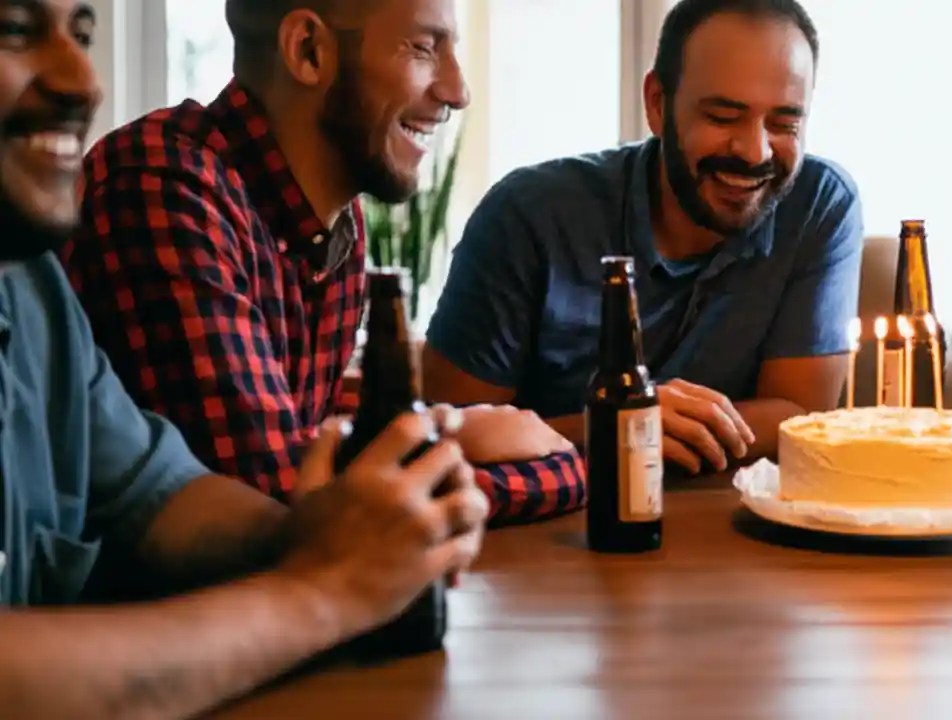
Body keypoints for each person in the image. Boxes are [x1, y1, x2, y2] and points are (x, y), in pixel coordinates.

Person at [0, 1, 488, 716]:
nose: (86, 81)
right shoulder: (165, 180)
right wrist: (320, 591)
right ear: (307, 51)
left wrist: (336, 532)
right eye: (14, 30)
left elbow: (157, 493)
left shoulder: (26, 284)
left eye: (83, 34)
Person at [61, 0, 585, 521]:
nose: (457, 91)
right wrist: (460, 436)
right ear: (308, 51)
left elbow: (320, 464)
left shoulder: (337, 230)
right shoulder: (164, 184)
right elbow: (274, 495)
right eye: (424, 48)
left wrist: (539, 458)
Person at [422, 0, 864, 475]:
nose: (755, 151)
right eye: (722, 117)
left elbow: (799, 418)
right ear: (657, 103)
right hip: (553, 529)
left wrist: (643, 427)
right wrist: (617, 426)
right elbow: (448, 438)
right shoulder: (527, 216)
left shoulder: (818, 204)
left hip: (728, 528)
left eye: (783, 124)